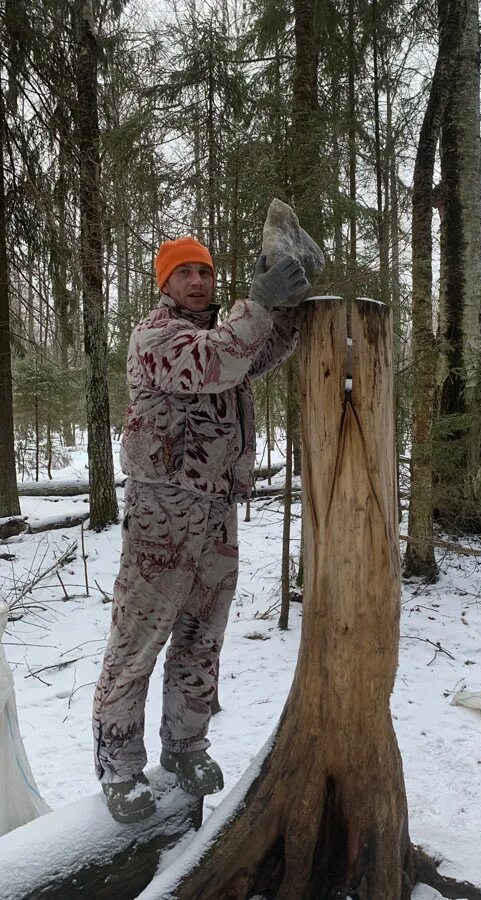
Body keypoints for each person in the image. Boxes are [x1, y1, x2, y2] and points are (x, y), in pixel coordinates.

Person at [92, 236, 309, 824]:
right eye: (184, 272)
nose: (197, 281)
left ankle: (186, 747)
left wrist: (286, 304)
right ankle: (119, 765)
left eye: (205, 272)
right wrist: (261, 299)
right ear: (165, 283)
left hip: (215, 512)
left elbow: (258, 353)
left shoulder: (225, 330)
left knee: (201, 637)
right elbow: (218, 360)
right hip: (162, 511)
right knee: (139, 641)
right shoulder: (156, 336)